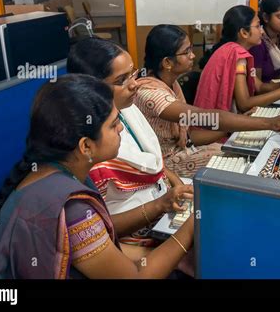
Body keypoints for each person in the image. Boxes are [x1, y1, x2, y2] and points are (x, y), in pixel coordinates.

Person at [0, 75, 194, 279]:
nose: (121, 128)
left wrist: (161, 206)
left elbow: (102, 242)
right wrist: (194, 224)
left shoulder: (57, 174)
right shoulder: (72, 207)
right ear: (86, 146)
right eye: (113, 124)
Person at [67, 38, 190, 255]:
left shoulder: (126, 108)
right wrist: (160, 205)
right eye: (122, 79)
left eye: (133, 73)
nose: (134, 84)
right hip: (132, 237)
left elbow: (151, 161)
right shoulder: (92, 145)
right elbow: (101, 227)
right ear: (91, 87)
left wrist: (175, 184)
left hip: (160, 209)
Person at [135, 24, 280, 178]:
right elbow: (209, 118)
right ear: (167, 63)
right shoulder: (151, 93)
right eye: (186, 52)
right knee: (246, 168)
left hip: (184, 151)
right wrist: (270, 123)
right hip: (166, 167)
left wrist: (233, 128)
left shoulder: (169, 82)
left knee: (240, 154)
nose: (193, 55)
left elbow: (189, 137)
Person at [195, 5, 280, 114]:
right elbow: (244, 104)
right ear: (244, 33)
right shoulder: (237, 55)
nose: (262, 31)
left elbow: (259, 87)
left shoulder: (233, 50)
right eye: (258, 26)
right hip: (214, 127)